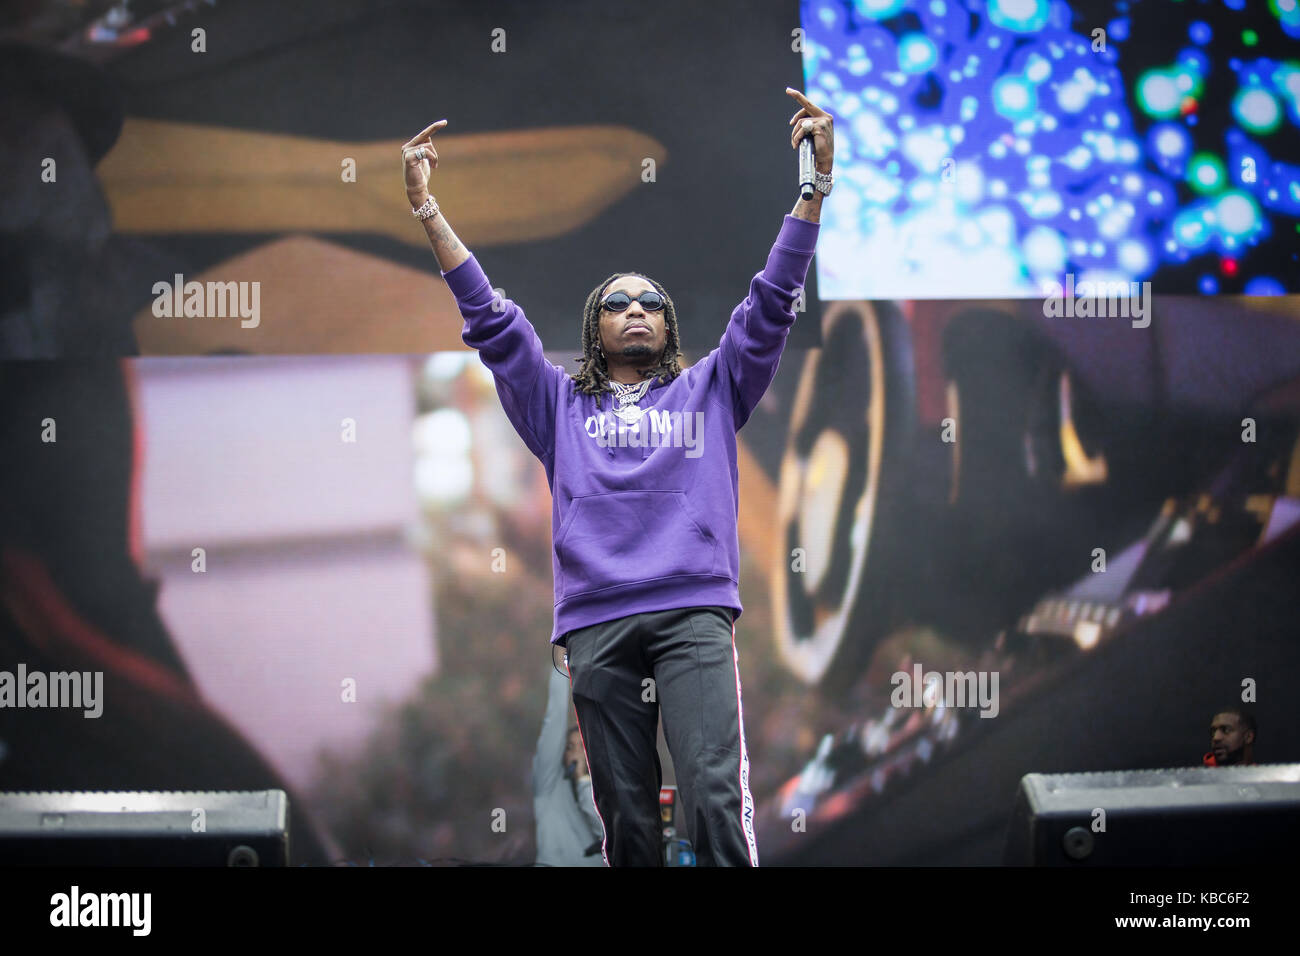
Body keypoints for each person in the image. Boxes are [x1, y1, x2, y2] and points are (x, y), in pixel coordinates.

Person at [404, 88, 832, 866]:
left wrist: (811, 193)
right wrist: (430, 214)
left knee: (710, 797)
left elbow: (771, 304)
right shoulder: (556, 405)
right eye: (617, 302)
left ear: (669, 328)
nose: (636, 308)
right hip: (596, 623)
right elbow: (495, 326)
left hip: (693, 609)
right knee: (627, 820)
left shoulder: (713, 385)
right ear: (594, 330)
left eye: (652, 303)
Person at [533, 664, 604, 866]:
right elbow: (554, 718)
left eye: (583, 745)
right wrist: (561, 663)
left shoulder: (607, 790)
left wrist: (583, 780)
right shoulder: (548, 785)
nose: (576, 752)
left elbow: (607, 832)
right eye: (570, 746)